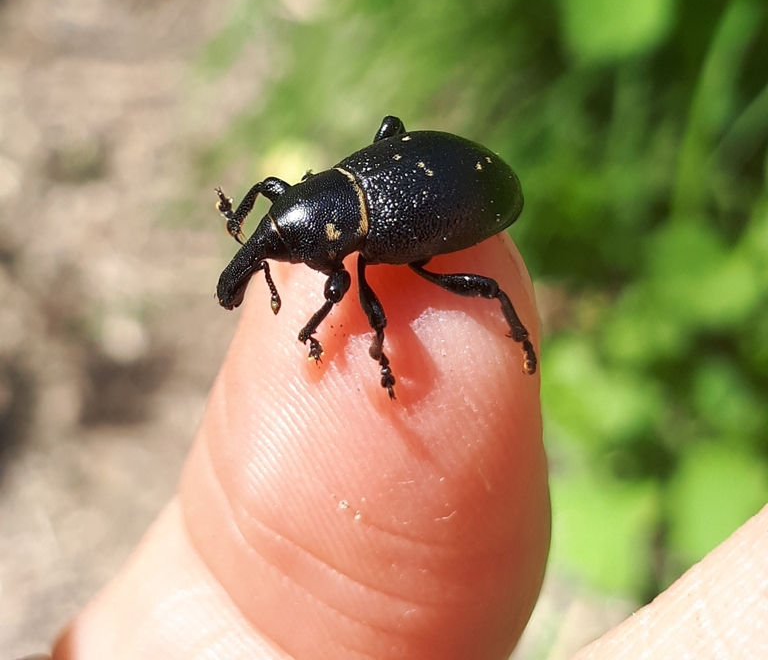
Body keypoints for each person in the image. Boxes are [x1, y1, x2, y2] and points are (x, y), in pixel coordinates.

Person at [41, 237, 767, 659]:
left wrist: (340, 336)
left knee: (464, 290)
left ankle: (508, 335)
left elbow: (348, 298)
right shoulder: (333, 226)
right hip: (400, 188)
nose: (267, 248)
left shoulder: (358, 248)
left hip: (452, 201)